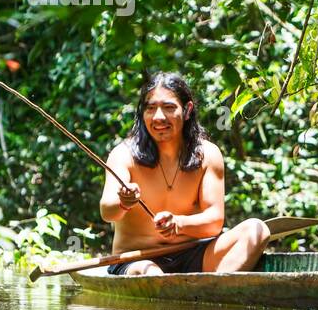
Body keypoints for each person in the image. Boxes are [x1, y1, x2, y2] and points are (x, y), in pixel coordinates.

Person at [99, 72, 269, 275]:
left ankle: (210, 293)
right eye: (151, 108)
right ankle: (196, 294)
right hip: (137, 259)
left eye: (169, 108)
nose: (159, 117)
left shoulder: (207, 154)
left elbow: (214, 222)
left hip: (193, 256)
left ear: (187, 110)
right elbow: (107, 212)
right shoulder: (124, 154)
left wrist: (179, 223)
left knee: (257, 230)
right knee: (151, 273)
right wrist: (123, 201)